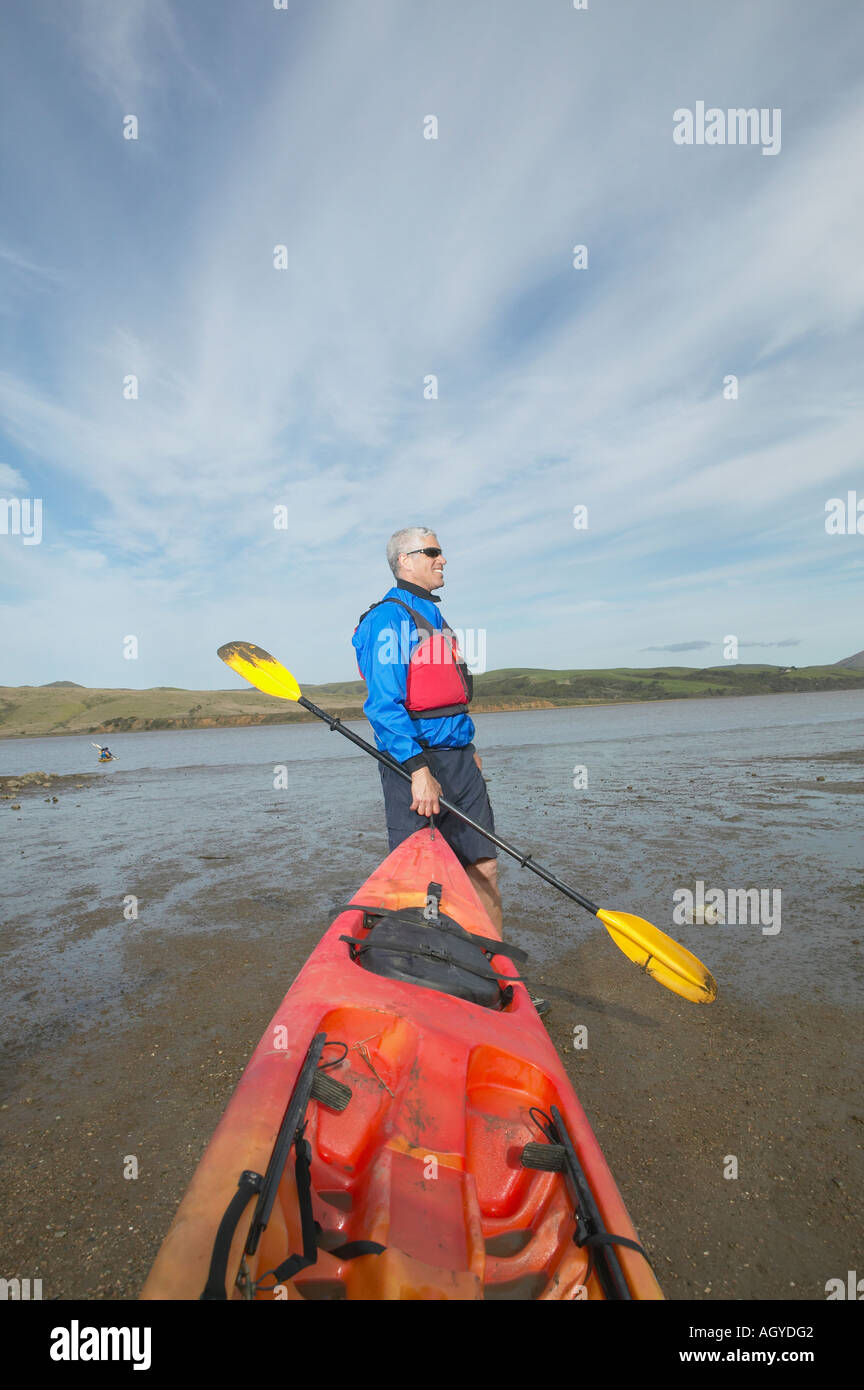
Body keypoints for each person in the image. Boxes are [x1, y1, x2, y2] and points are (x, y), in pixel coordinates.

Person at [352, 526, 502, 931]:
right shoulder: (387, 619)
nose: (443, 559)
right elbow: (383, 706)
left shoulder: (432, 614)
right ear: (405, 561)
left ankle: (494, 978)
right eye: (432, 551)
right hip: (414, 763)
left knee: (483, 866)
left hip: (458, 760)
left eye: (441, 550)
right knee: (418, 880)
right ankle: (421, 978)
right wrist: (419, 771)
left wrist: (467, 750)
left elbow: (447, 694)